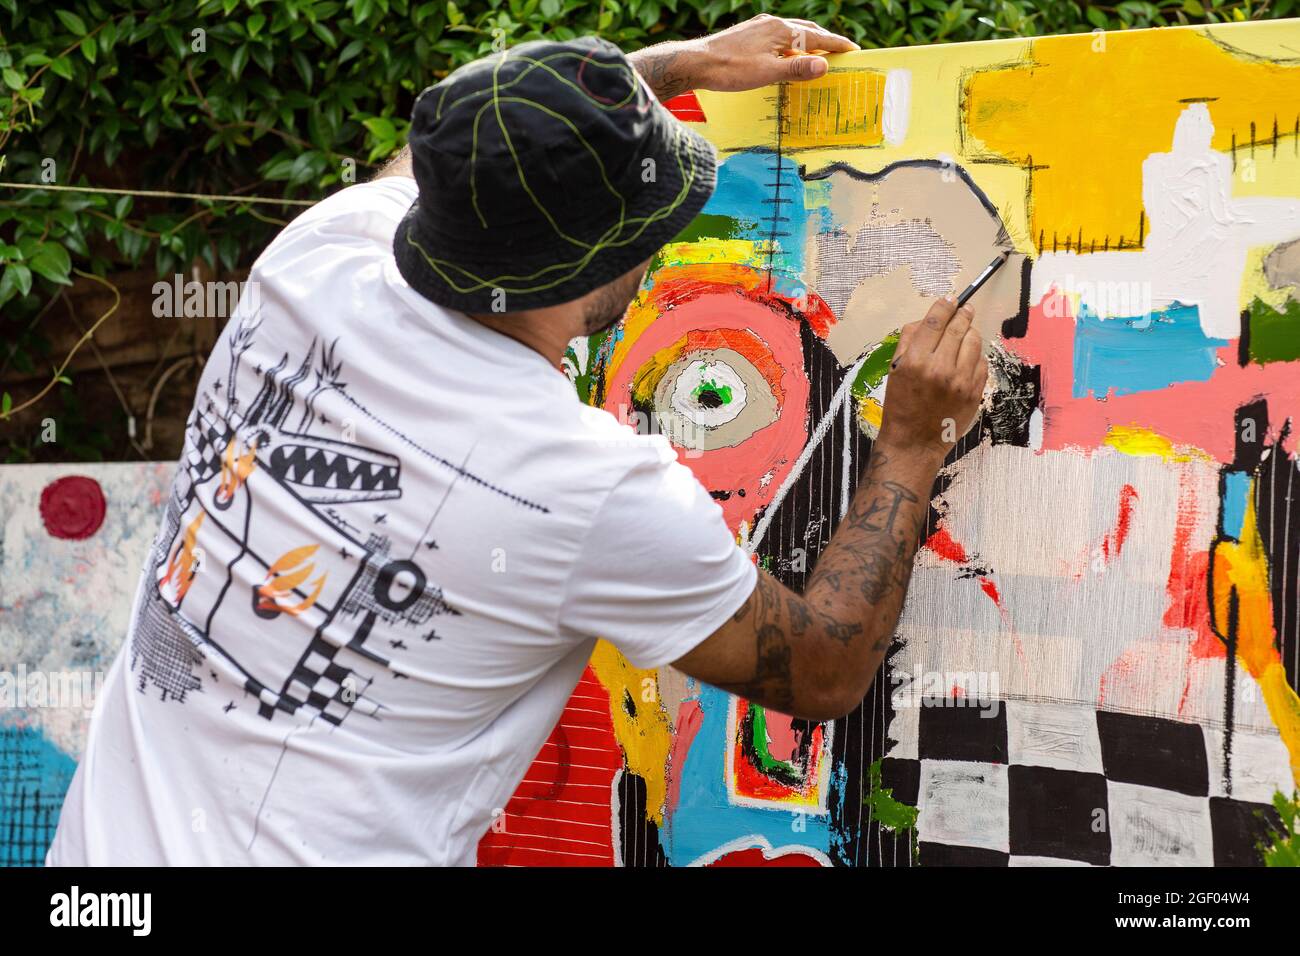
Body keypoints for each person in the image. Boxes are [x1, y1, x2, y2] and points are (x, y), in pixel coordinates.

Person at [48, 15, 987, 866]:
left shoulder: (320, 253)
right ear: (598, 264)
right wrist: (910, 439)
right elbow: (822, 668)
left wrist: (671, 69)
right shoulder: (583, 487)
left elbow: (466, 145)